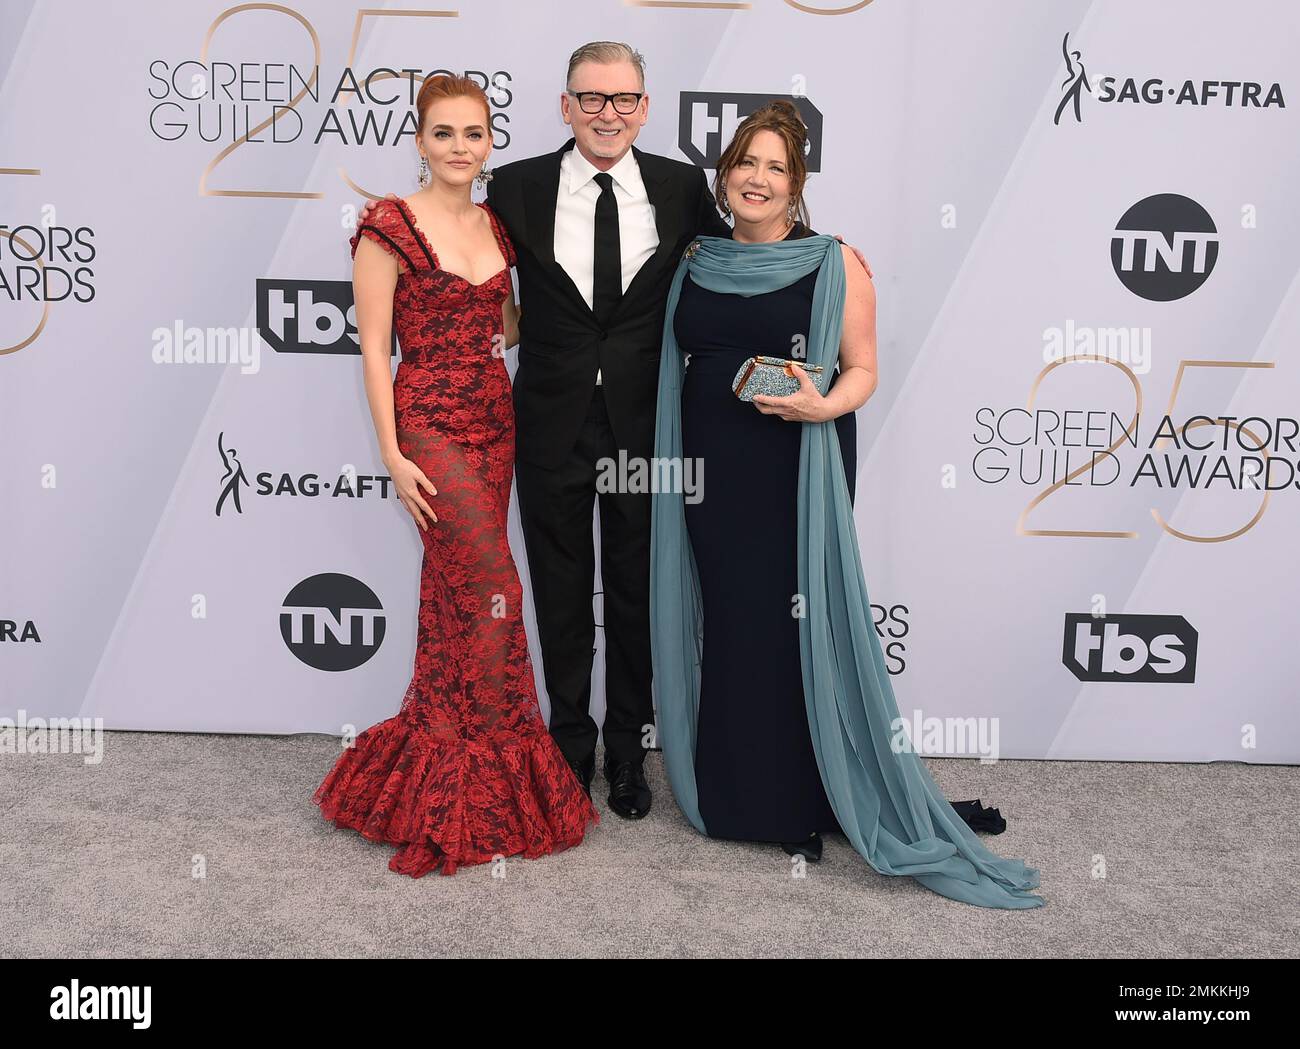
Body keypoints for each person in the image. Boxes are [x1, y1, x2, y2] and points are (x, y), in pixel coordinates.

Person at [359, 41, 870, 821]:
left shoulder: (683, 189)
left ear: (645, 106)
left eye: (623, 100)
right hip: (541, 426)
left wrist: (827, 271)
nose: (608, 114)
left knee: (637, 592)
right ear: (565, 106)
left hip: (653, 431)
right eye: (591, 99)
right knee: (559, 593)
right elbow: (473, 288)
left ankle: (628, 755)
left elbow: (747, 262)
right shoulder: (516, 188)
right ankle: (568, 749)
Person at [651, 101, 1045, 909]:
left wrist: (820, 407)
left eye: (775, 168)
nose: (756, 179)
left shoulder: (835, 262)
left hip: (792, 465)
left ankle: (802, 797)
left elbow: (860, 369)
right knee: (729, 621)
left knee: (794, 624)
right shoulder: (696, 258)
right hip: (705, 473)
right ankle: (739, 795)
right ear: (724, 177)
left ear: (796, 185)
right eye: (744, 165)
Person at [314, 75, 598, 877]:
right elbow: (375, 348)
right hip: (429, 426)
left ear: (489, 142)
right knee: (489, 584)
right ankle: (481, 781)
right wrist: (393, 451)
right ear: (419, 140)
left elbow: (504, 324)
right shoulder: (388, 226)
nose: (460, 148)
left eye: (473, 134)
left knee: (451, 602)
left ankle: (444, 773)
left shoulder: (495, 226)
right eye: (444, 134)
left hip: (494, 421)